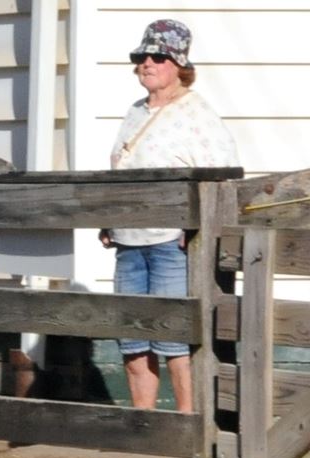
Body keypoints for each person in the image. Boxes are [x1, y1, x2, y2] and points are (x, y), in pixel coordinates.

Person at [98, 19, 238, 413]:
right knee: (132, 341)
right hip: (128, 242)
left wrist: (198, 230)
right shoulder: (135, 112)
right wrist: (108, 220)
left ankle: (186, 428)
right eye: (141, 56)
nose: (147, 63)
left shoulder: (197, 113)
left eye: (158, 56)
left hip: (172, 244)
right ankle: (144, 429)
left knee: (177, 341)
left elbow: (223, 175)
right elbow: (122, 171)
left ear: (179, 63)